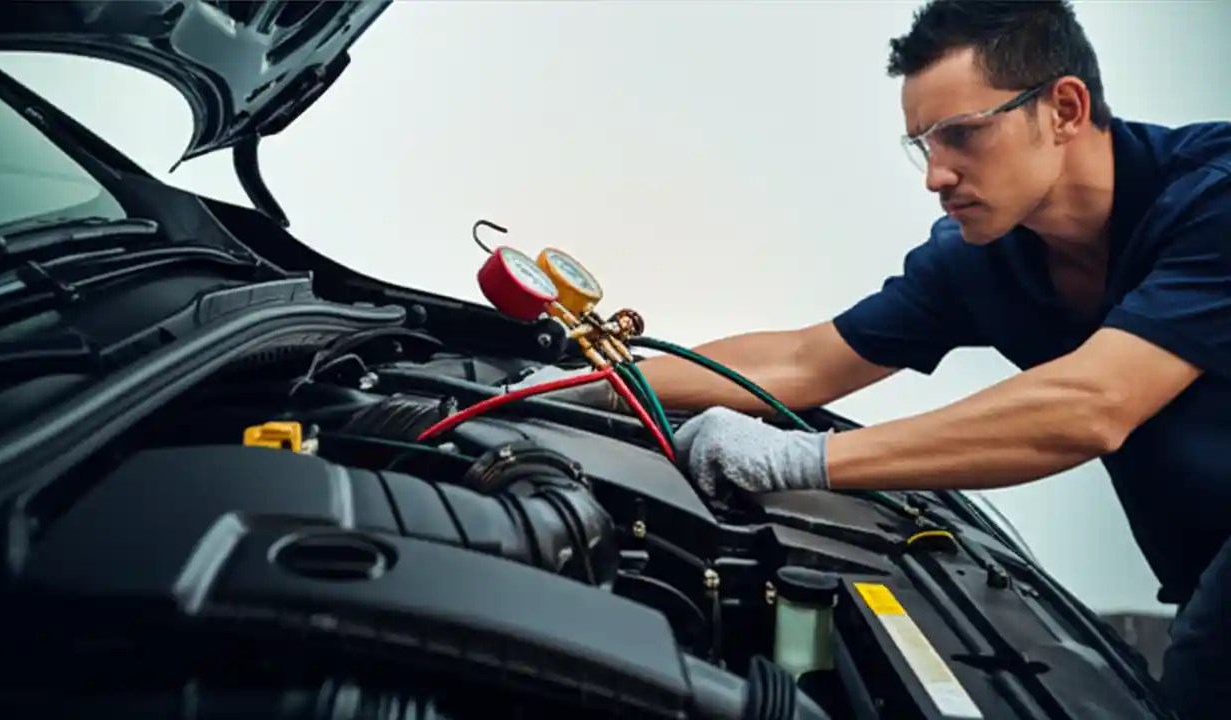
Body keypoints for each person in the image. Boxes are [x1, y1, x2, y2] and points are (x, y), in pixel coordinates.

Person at [512, 1, 1231, 716]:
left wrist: (803, 458)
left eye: (962, 136)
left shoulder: (1213, 195)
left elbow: (1092, 405)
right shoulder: (983, 259)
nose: (935, 175)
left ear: (1065, 109)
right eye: (923, 145)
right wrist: (598, 384)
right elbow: (806, 359)